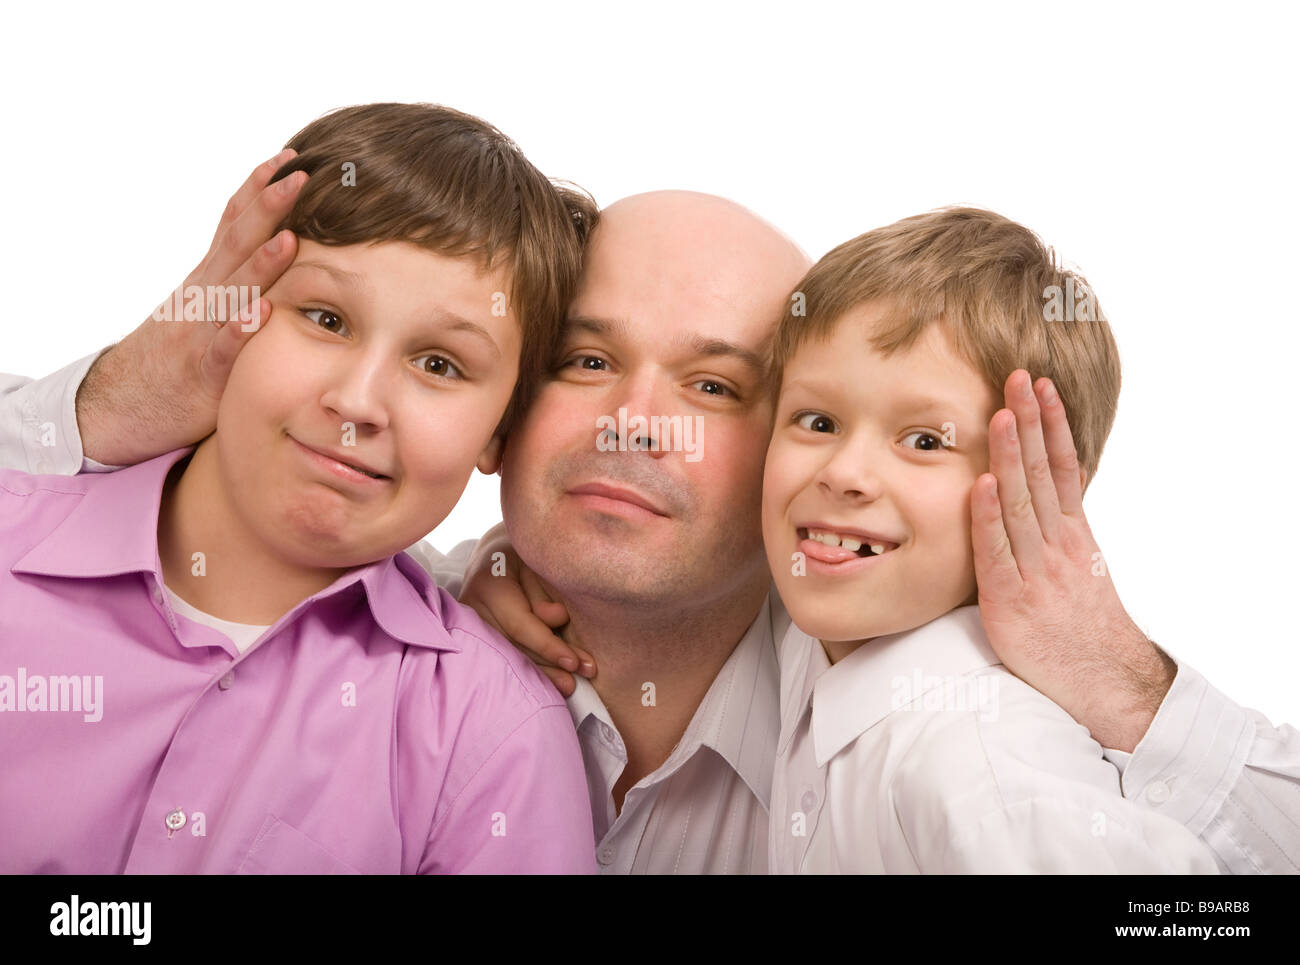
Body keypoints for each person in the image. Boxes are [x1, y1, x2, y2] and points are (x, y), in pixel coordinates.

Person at [4, 177, 1297, 873]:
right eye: (581, 361)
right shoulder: (410, 624)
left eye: (717, 388)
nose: (637, 426)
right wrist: (122, 399)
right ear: (500, 414)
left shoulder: (914, 725)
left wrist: (1122, 686)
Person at [0, 102, 598, 874]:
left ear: (499, 434)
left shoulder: (494, 739)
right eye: (325, 318)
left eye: (439, 365)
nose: (357, 402)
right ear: (229, 307)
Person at [763, 207, 1218, 872]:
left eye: (924, 440)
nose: (844, 473)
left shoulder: (985, 768)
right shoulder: (813, 639)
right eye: (818, 420)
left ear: (1039, 491)